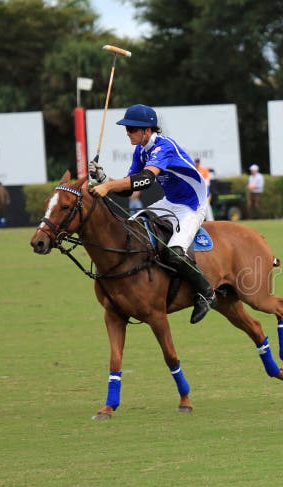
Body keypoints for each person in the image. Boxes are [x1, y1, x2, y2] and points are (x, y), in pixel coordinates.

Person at [88, 104, 216, 324]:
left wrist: (107, 188)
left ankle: (206, 292)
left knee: (174, 253)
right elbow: (130, 188)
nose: (127, 133)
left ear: (147, 130)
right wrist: (103, 177)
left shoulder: (163, 147)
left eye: (131, 129)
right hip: (170, 201)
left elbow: (146, 179)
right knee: (129, 230)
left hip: (192, 204)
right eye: (127, 129)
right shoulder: (140, 150)